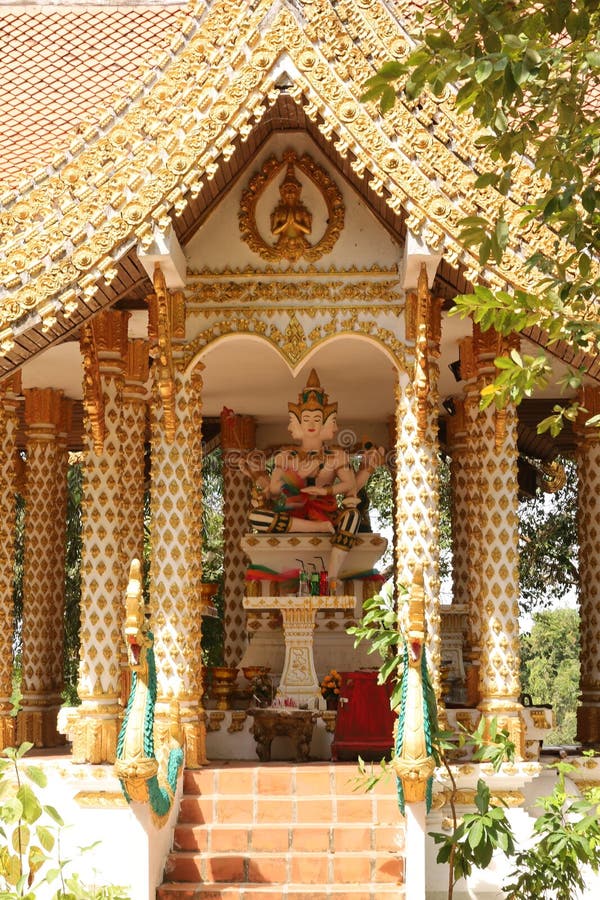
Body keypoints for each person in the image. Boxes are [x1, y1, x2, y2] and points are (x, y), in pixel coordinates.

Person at [242, 369, 361, 581]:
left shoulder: (336, 455)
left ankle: (331, 576)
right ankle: (318, 528)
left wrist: (324, 489)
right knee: (256, 517)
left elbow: (349, 483)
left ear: (327, 421)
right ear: (297, 422)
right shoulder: (285, 456)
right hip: (294, 517)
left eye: (317, 418)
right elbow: (274, 490)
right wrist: (295, 476)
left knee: (352, 516)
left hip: (328, 513)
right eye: (306, 419)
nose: (312, 424)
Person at [270, 162, 312, 262]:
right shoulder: (279, 212)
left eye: (292, 190)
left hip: (299, 240)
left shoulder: (302, 212)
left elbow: (308, 231)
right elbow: (274, 231)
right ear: (283, 193)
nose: (289, 193)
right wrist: (285, 223)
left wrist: (295, 223)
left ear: (297, 193)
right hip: (283, 241)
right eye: (287, 190)